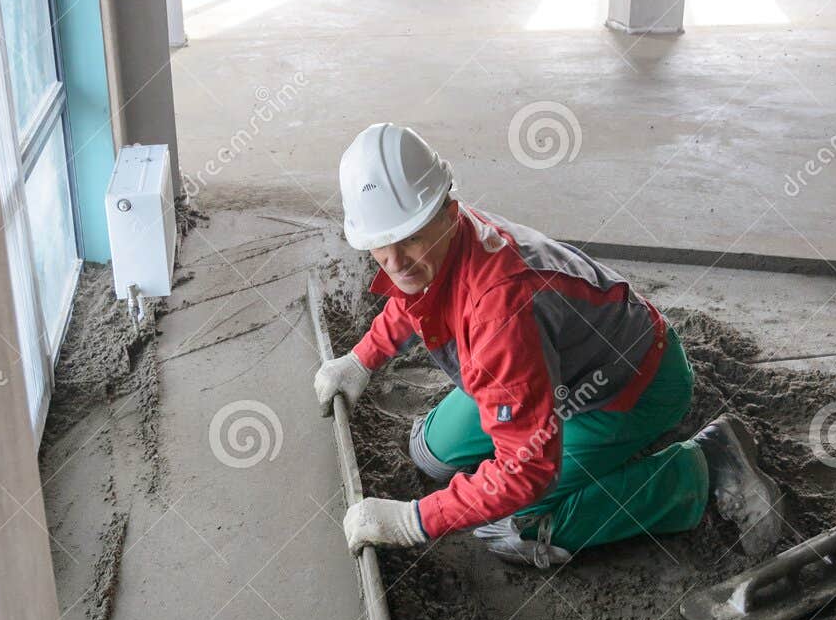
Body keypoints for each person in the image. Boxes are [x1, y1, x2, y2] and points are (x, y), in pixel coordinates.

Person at [315, 123, 783, 568]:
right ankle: (536, 431)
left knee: (511, 527)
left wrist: (415, 521)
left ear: (448, 213)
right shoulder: (442, 238)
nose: (394, 261)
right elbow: (415, 294)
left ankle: (705, 465)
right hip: (548, 367)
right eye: (380, 243)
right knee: (429, 453)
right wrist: (361, 359)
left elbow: (525, 472)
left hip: (628, 385)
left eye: (410, 238)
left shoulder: (500, 312)